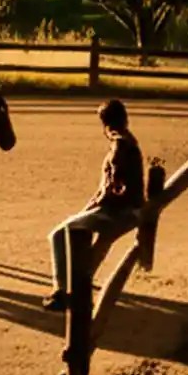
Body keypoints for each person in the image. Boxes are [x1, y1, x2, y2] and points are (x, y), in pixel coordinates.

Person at [42, 99, 145, 311]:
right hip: (130, 210)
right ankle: (79, 288)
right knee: (99, 242)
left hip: (117, 211)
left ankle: (62, 290)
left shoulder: (119, 140)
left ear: (104, 123)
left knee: (59, 233)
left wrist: (114, 173)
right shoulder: (129, 139)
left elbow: (117, 153)